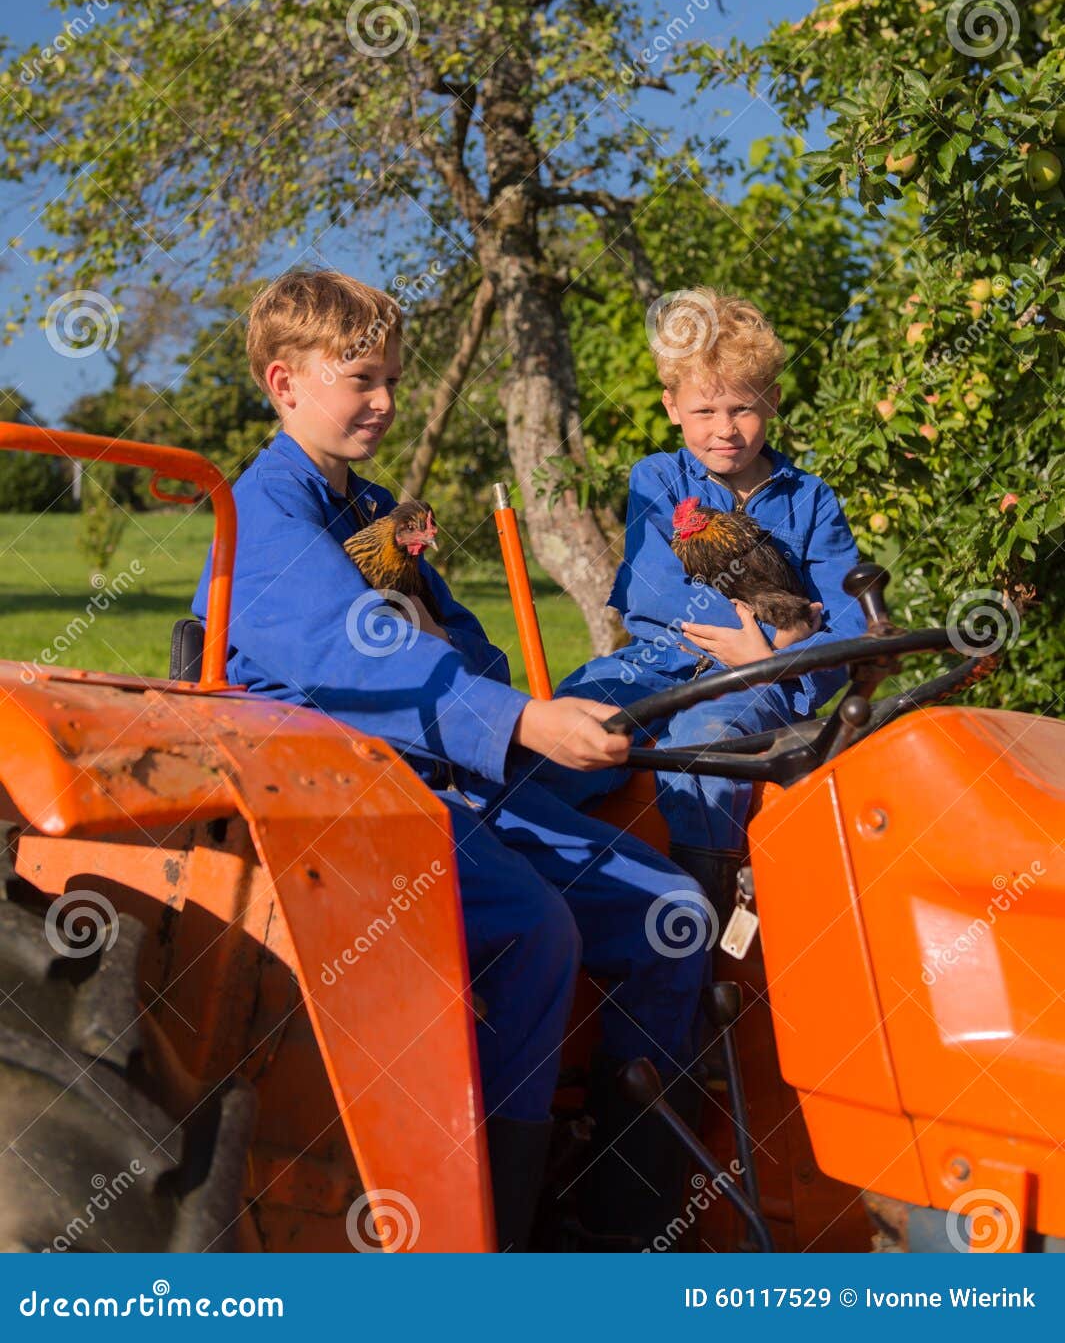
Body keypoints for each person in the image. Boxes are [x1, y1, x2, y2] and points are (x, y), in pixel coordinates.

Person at [191, 267, 708, 1251]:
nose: (385, 402)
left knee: (671, 916)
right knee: (535, 932)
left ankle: (623, 1225)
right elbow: (353, 655)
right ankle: (488, 1240)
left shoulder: (374, 508)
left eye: (392, 379)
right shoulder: (261, 519)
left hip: (446, 770)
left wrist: (532, 707)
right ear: (284, 383)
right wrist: (517, 722)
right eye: (361, 380)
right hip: (338, 793)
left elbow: (467, 650)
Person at [542, 288, 865, 912]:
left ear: (773, 400)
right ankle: (557, 880)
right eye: (705, 410)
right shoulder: (658, 479)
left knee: (705, 745)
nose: (725, 428)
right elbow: (656, 592)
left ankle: (700, 909)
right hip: (655, 663)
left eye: (743, 408)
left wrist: (773, 661)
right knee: (567, 728)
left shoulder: (811, 499)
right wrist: (776, 633)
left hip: (760, 680)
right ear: (672, 407)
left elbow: (849, 624)